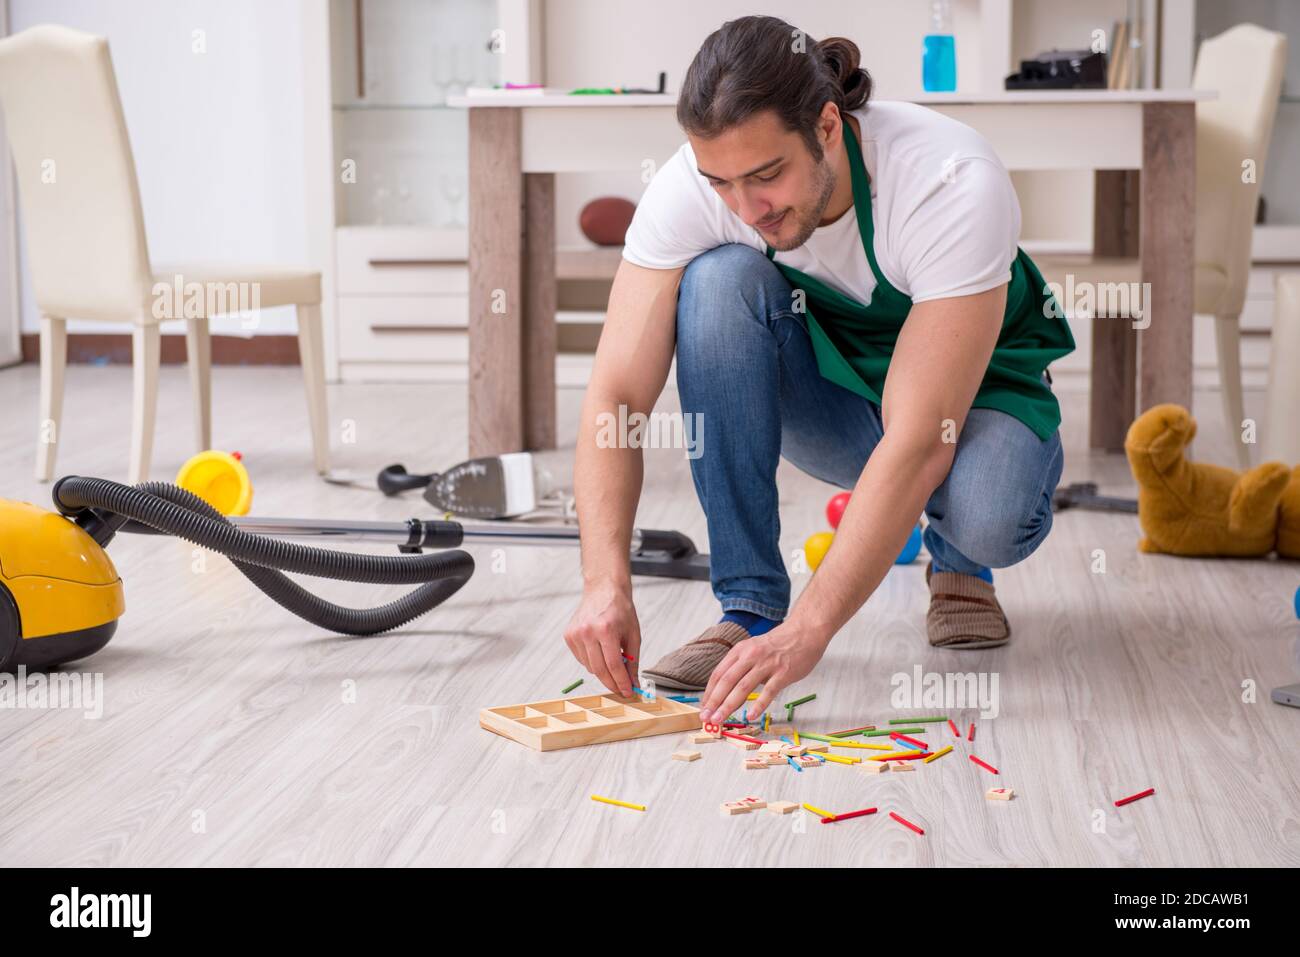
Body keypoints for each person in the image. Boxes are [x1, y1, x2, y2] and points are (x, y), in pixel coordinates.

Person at [562, 15, 1074, 727]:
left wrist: (812, 629)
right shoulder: (693, 189)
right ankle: (746, 608)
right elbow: (616, 393)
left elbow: (923, 434)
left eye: (768, 175)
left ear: (829, 126)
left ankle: (959, 560)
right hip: (843, 403)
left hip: (970, 407)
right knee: (715, 283)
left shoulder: (948, 179)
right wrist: (602, 582)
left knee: (987, 511)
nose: (747, 208)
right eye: (722, 183)